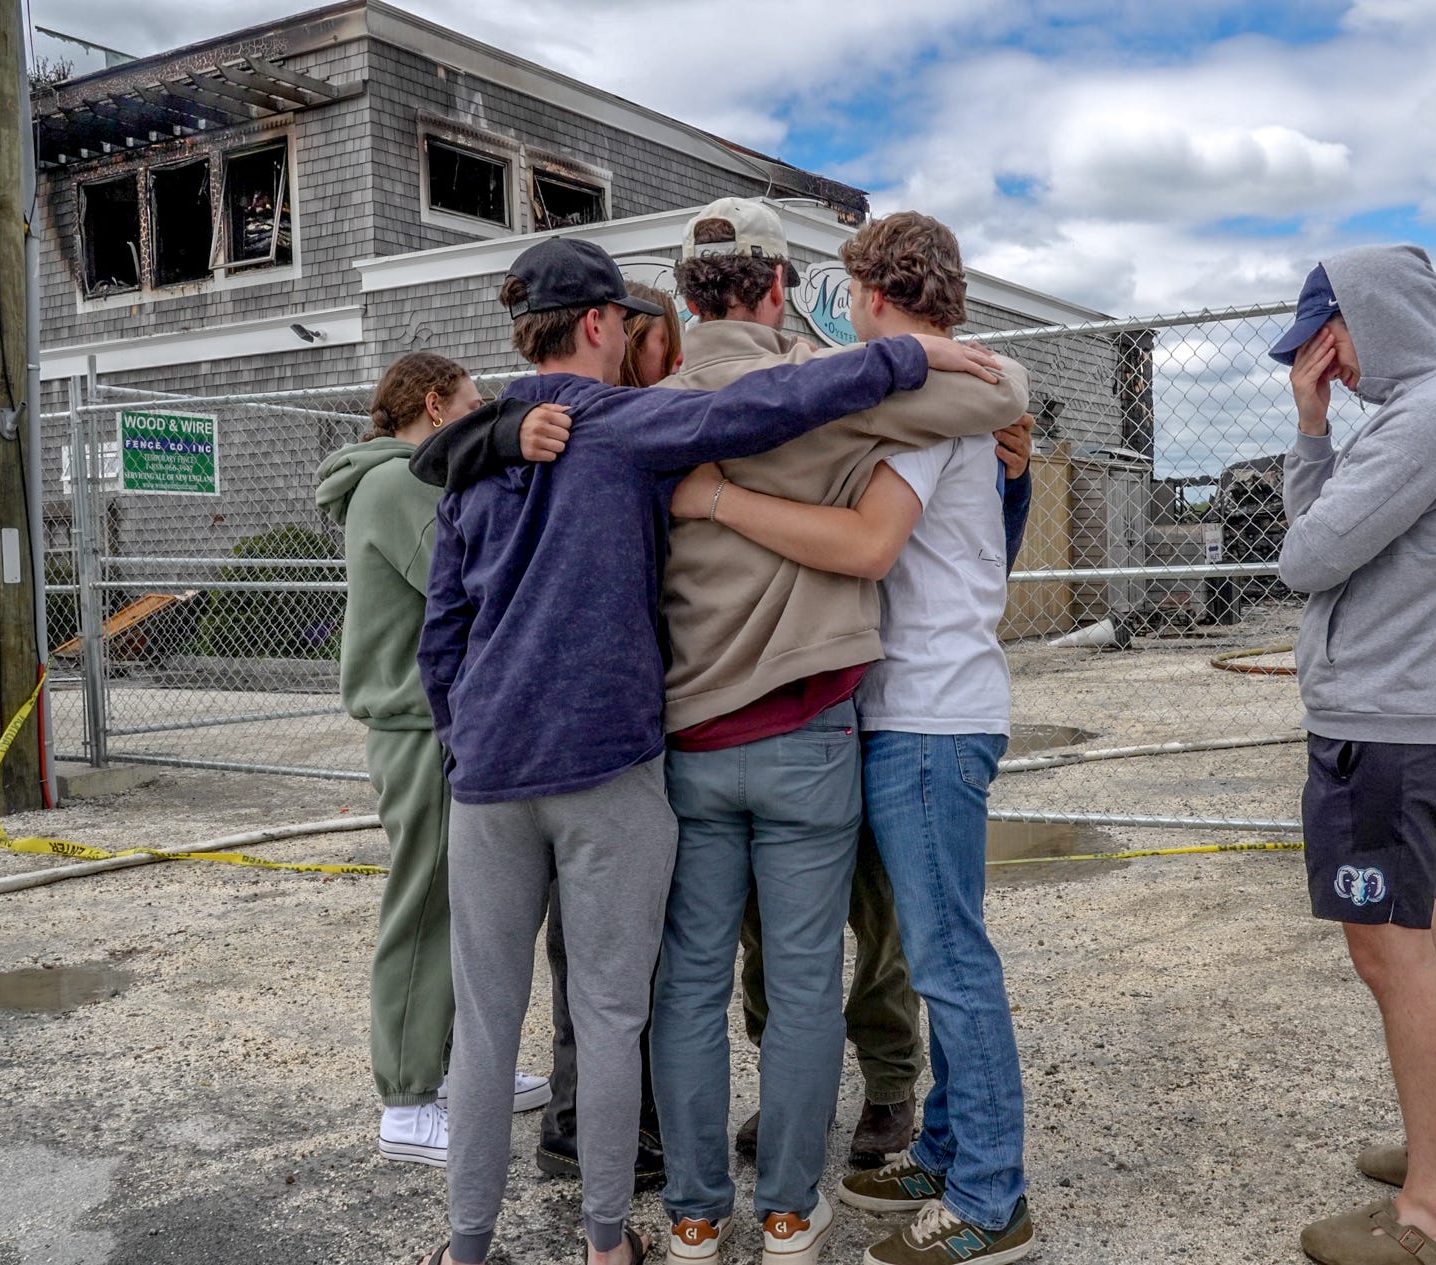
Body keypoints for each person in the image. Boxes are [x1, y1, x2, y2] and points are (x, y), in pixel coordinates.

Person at [410, 237, 1006, 1265]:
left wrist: (467, 737)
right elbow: (766, 412)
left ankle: (609, 1225)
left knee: (582, 1002)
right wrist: (912, 358)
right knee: (696, 998)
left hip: (566, 761)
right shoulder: (663, 420)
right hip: (696, 750)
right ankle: (727, 1221)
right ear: (605, 324)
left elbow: (443, 624)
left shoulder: (507, 441)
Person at [646, 200, 1030, 1265]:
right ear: (779, 291)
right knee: (875, 954)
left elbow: (869, 545)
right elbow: (1002, 407)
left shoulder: (915, 405)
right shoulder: (891, 403)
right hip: (860, 712)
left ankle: (990, 1195)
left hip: (917, 709)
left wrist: (717, 500)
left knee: (941, 955)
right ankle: (919, 1157)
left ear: (866, 300)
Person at [1270, 247, 1436, 1265]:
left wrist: (1309, 425)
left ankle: (1434, 1215)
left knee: (1389, 947)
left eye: (1333, 345)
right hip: (1409, 716)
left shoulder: (1424, 420)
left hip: (1383, 724)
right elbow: (1323, 541)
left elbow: (1303, 555)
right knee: (1424, 928)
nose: (1334, 368)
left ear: (1366, 318)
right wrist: (1325, 431)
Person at [314, 353, 564, 1167]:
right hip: (417, 729)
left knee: (466, 910)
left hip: (442, 726)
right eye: (474, 403)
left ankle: (454, 1071)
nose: (484, 414)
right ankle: (408, 1098)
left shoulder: (405, 482)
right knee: (424, 911)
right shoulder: (394, 485)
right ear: (434, 404)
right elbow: (471, 574)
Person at [539, 279, 684, 1189]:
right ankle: (618, 1128)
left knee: (582, 946)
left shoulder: (551, 429)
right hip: (627, 727)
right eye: (654, 335)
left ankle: (577, 1119)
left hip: (556, 731)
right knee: (631, 950)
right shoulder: (630, 434)